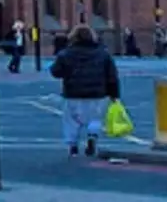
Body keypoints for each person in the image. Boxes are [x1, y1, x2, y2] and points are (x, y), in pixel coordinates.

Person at [50, 24, 120, 159]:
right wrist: (114, 95)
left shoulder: (66, 54)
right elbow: (112, 76)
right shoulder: (103, 54)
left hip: (73, 93)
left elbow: (55, 72)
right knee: (94, 118)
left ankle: (73, 146)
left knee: (71, 120)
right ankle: (92, 136)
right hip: (97, 93)